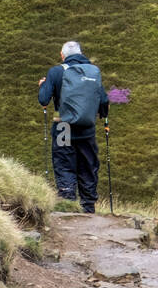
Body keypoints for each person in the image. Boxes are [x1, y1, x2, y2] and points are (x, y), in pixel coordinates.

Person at [38, 41, 109, 211]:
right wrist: (102, 116)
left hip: (64, 128)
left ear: (62, 56)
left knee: (64, 164)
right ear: (81, 53)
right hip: (87, 129)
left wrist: (43, 86)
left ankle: (68, 204)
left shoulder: (56, 72)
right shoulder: (93, 72)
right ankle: (88, 207)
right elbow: (104, 101)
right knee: (87, 166)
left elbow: (44, 100)